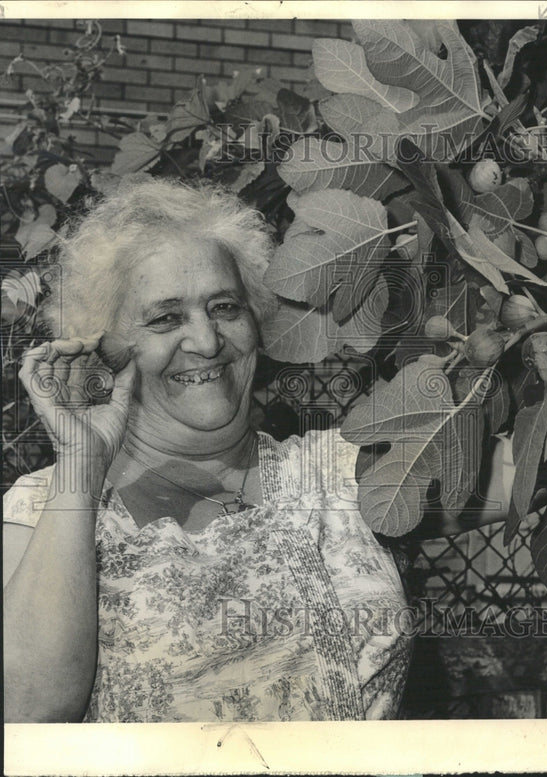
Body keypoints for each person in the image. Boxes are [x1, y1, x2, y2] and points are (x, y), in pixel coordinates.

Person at [3, 177, 412, 723]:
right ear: (105, 347)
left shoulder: (338, 468)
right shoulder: (42, 508)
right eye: (165, 318)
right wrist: (81, 464)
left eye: (224, 307)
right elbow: (24, 714)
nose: (207, 341)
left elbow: (526, 473)